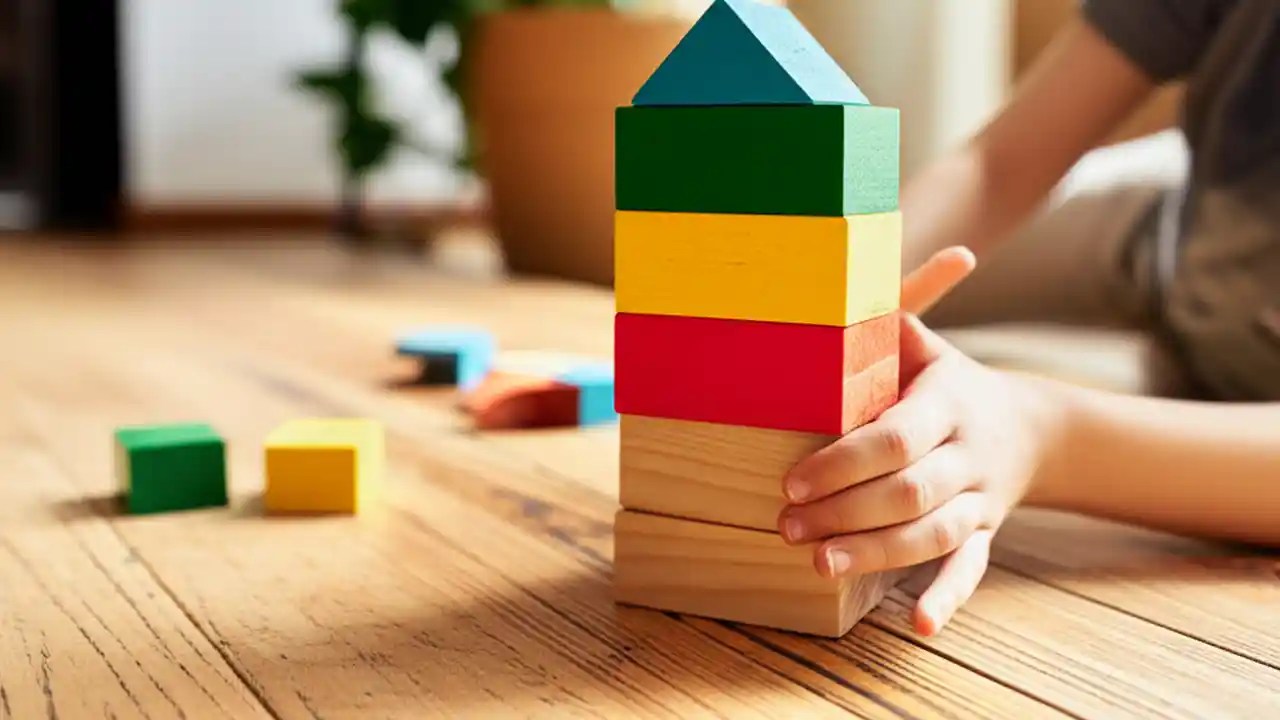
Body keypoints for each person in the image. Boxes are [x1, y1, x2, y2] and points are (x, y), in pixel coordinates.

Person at [778, 2, 1280, 637]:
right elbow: (998, 165)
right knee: (891, 273)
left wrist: (1041, 433)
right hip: (1171, 228)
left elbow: (1034, 432)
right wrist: (838, 296)